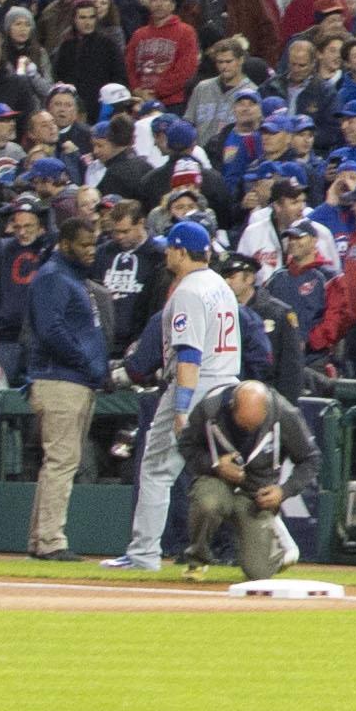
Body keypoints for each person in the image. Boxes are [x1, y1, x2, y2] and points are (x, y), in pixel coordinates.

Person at [112, 216, 242, 573]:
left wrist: (182, 406)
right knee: (226, 473)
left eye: (170, 248)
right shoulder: (219, 284)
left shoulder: (188, 290)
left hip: (196, 385)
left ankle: (142, 554)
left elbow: (189, 355)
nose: (166, 255)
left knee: (156, 469)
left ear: (181, 252)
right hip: (226, 385)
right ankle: (272, 545)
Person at [1, 215, 112, 555]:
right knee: (61, 461)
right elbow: (50, 331)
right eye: (83, 245)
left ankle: (41, 538)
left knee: (60, 462)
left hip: (73, 380)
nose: (91, 251)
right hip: (60, 379)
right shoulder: (53, 277)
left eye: (93, 244)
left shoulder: (72, 278)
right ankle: (50, 540)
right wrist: (86, 362)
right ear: (65, 244)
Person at [176, 376, 314, 576]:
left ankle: (274, 539)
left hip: (256, 496)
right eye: (244, 425)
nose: (249, 431)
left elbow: (310, 459)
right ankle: (197, 559)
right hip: (218, 481)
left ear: (266, 411)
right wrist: (215, 464)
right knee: (208, 503)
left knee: (258, 574)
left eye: (255, 426)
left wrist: (284, 490)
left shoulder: (284, 414)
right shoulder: (210, 408)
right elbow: (186, 446)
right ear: (232, 408)